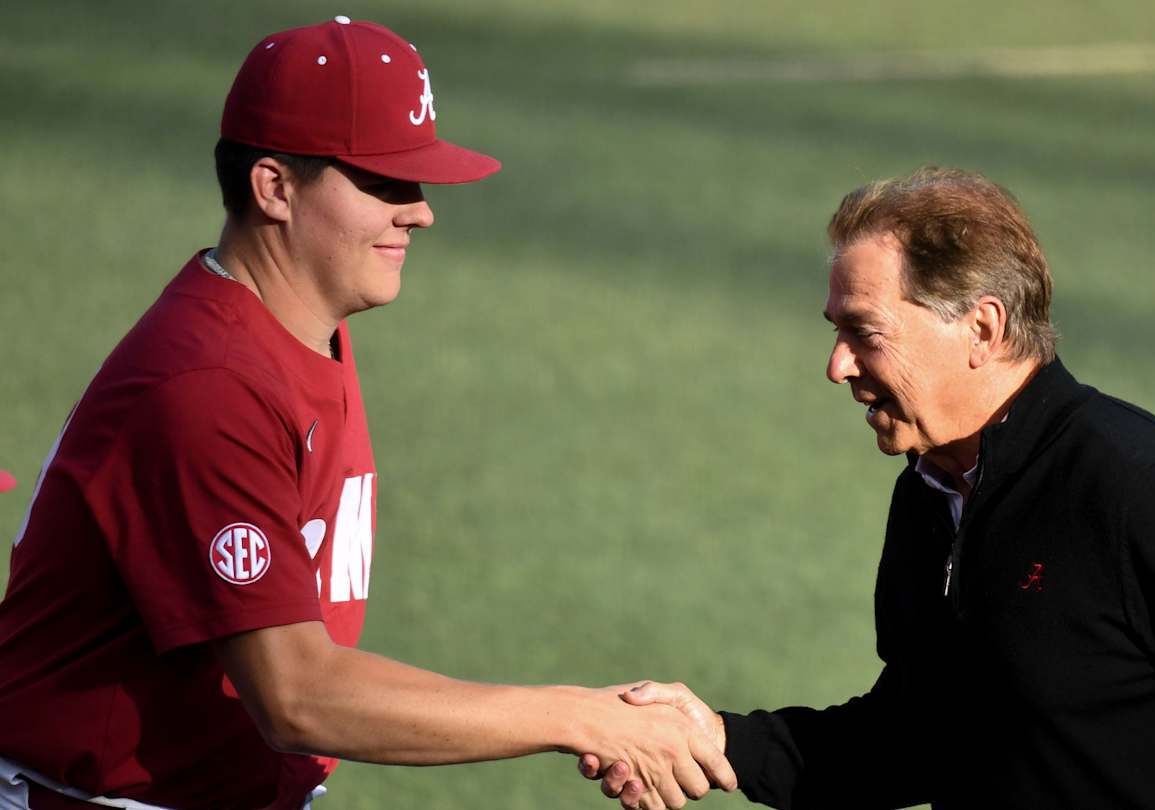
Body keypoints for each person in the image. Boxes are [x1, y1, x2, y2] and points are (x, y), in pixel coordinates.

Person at [0, 18, 732, 810]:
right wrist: (584, 718)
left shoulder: (298, 329)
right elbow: (298, 697)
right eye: (383, 182)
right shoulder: (209, 384)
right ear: (274, 187)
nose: (420, 212)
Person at [584, 168, 1155, 809]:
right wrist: (719, 740)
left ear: (981, 328)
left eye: (863, 332)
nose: (836, 366)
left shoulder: (1138, 493)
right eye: (835, 332)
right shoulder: (932, 492)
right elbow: (918, 740)